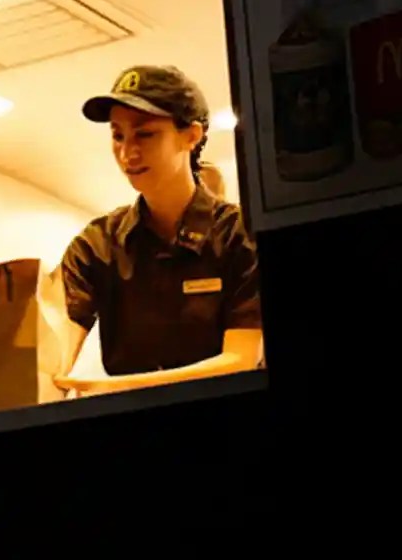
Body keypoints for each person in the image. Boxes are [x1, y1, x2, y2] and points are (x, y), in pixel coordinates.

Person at [53, 66, 263, 396]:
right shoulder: (95, 246)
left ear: (191, 136)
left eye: (145, 134)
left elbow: (240, 361)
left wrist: (109, 390)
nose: (127, 152)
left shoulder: (240, 235)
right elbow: (53, 361)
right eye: (118, 135)